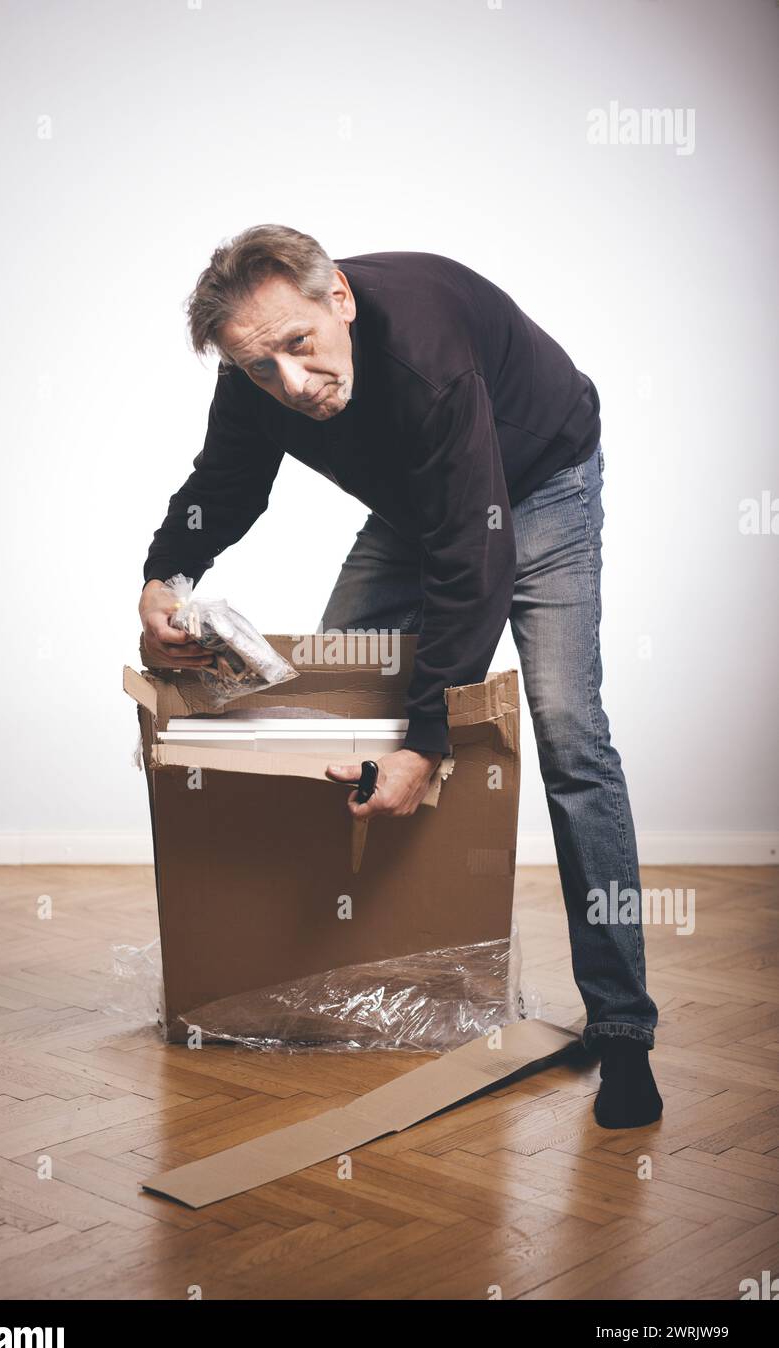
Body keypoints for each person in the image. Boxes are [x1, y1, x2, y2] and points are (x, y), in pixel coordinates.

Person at [140, 224, 663, 1129]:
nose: (291, 389)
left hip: (541, 490)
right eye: (262, 369)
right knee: (335, 710)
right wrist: (164, 577)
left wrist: (427, 741)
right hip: (428, 499)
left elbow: (475, 551)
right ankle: (357, 981)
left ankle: (621, 1029)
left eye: (301, 348)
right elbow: (223, 484)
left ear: (338, 298)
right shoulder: (257, 363)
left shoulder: (426, 352)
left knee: (570, 732)